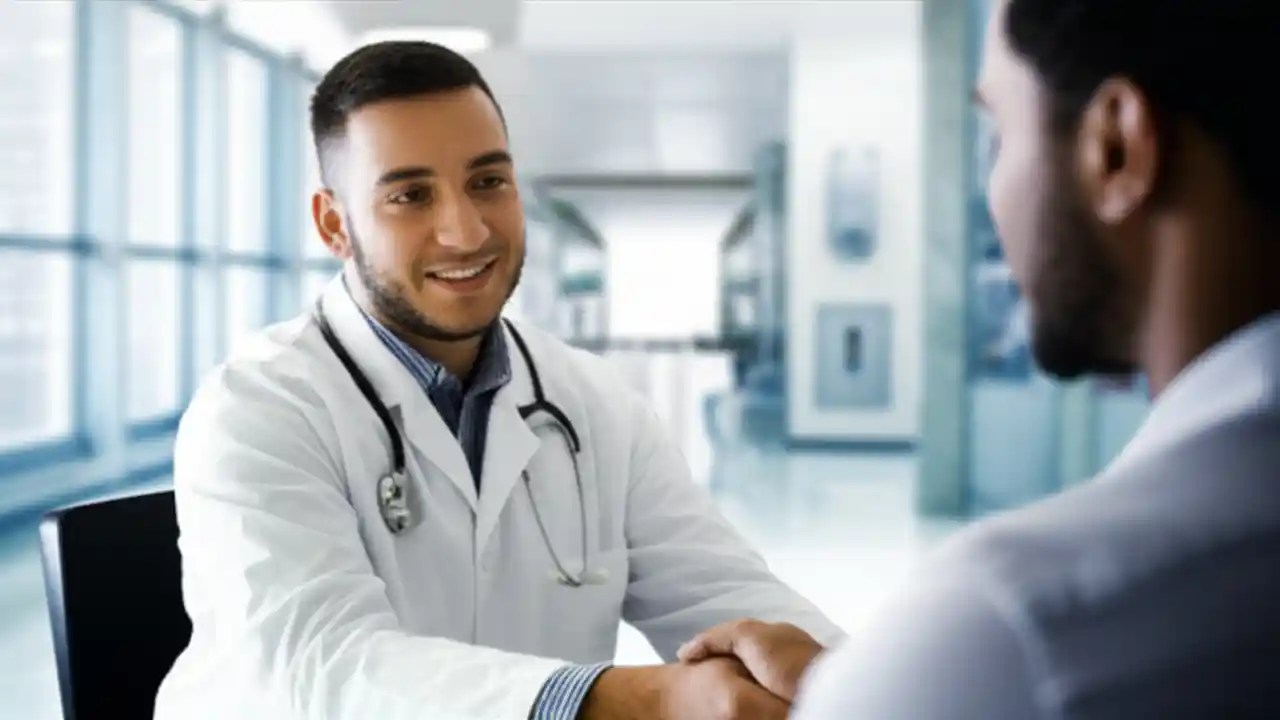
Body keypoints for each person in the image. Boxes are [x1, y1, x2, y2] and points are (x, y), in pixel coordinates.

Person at [154, 41, 841, 719]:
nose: (464, 230)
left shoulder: (594, 405)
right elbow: (322, 667)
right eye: (410, 195)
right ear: (336, 224)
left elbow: (732, 595)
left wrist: (851, 677)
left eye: (488, 181)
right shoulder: (256, 409)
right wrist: (646, 700)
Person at [679, 0, 1280, 717]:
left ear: (1116, 146)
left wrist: (892, 687)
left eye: (999, 131)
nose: (992, 201)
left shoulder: (1014, 627)